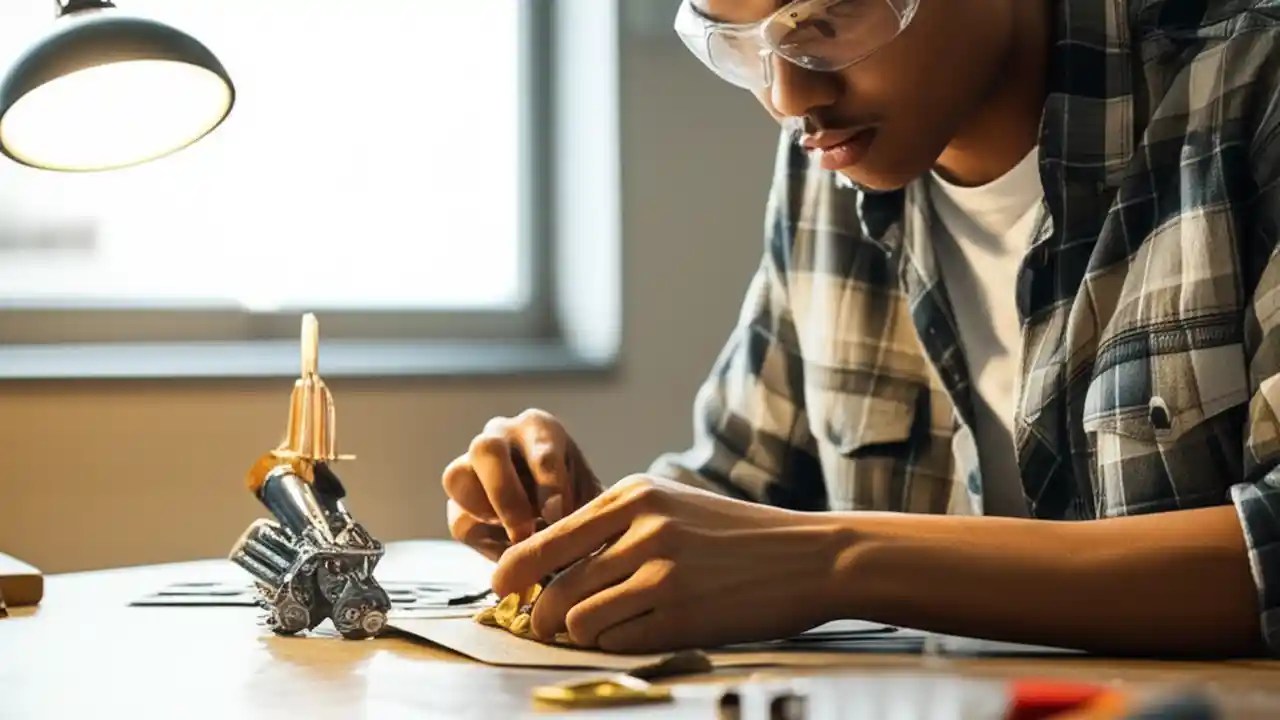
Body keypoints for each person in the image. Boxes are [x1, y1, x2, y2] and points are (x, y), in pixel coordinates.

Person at [441, 0, 1280, 657]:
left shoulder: (1250, 88)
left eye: (826, 21)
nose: (787, 97)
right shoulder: (831, 163)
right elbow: (749, 497)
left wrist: (835, 560)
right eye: (741, 44)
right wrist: (592, 534)